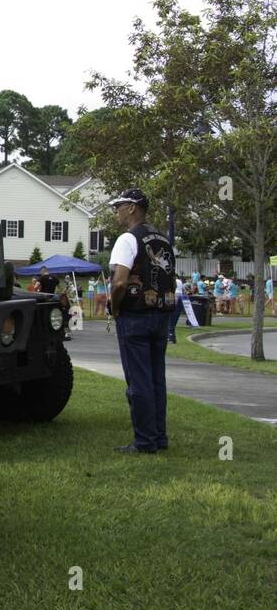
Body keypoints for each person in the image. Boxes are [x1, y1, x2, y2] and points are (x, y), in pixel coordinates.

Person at [108, 188, 176, 454]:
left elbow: (120, 280)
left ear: (133, 208)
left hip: (135, 314)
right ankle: (159, 437)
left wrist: (114, 307)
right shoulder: (162, 239)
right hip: (162, 313)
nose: (116, 210)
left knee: (138, 381)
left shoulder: (128, 239)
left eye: (120, 205)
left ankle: (145, 441)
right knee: (157, 378)